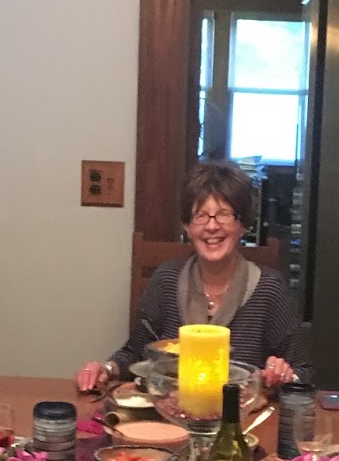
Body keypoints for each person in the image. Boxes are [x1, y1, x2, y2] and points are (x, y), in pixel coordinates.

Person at [77, 160, 312, 392]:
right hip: (170, 416)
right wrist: (106, 369)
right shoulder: (166, 281)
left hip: (239, 422)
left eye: (224, 214)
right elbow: (134, 355)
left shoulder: (270, 289)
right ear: (187, 226)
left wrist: (281, 374)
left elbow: (304, 372)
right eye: (200, 215)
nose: (211, 227)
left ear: (243, 224)